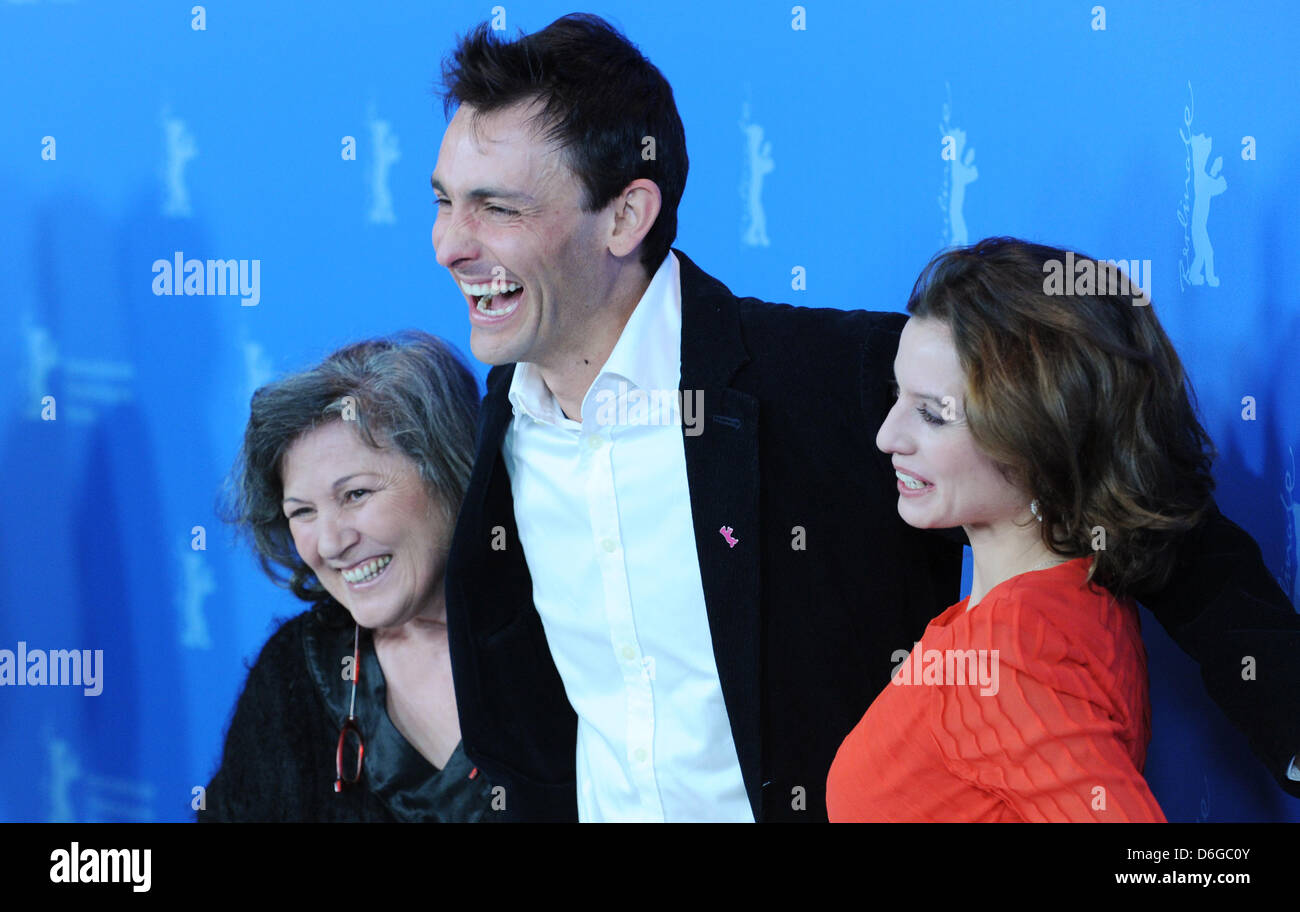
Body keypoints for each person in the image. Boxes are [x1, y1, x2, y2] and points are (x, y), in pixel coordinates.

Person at [433, 13, 1300, 822]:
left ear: (626, 213)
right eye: (443, 200)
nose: (449, 244)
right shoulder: (502, 431)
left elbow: (1141, 510)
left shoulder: (844, 379)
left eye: (497, 207)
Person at [826, 239, 1210, 821]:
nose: (887, 436)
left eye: (932, 413)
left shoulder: (1010, 653)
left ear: (1039, 440)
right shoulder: (1074, 598)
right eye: (896, 396)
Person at [199, 332, 494, 822]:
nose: (331, 543)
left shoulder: (568, 642)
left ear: (449, 468)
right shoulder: (294, 676)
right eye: (303, 512)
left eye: (356, 494)